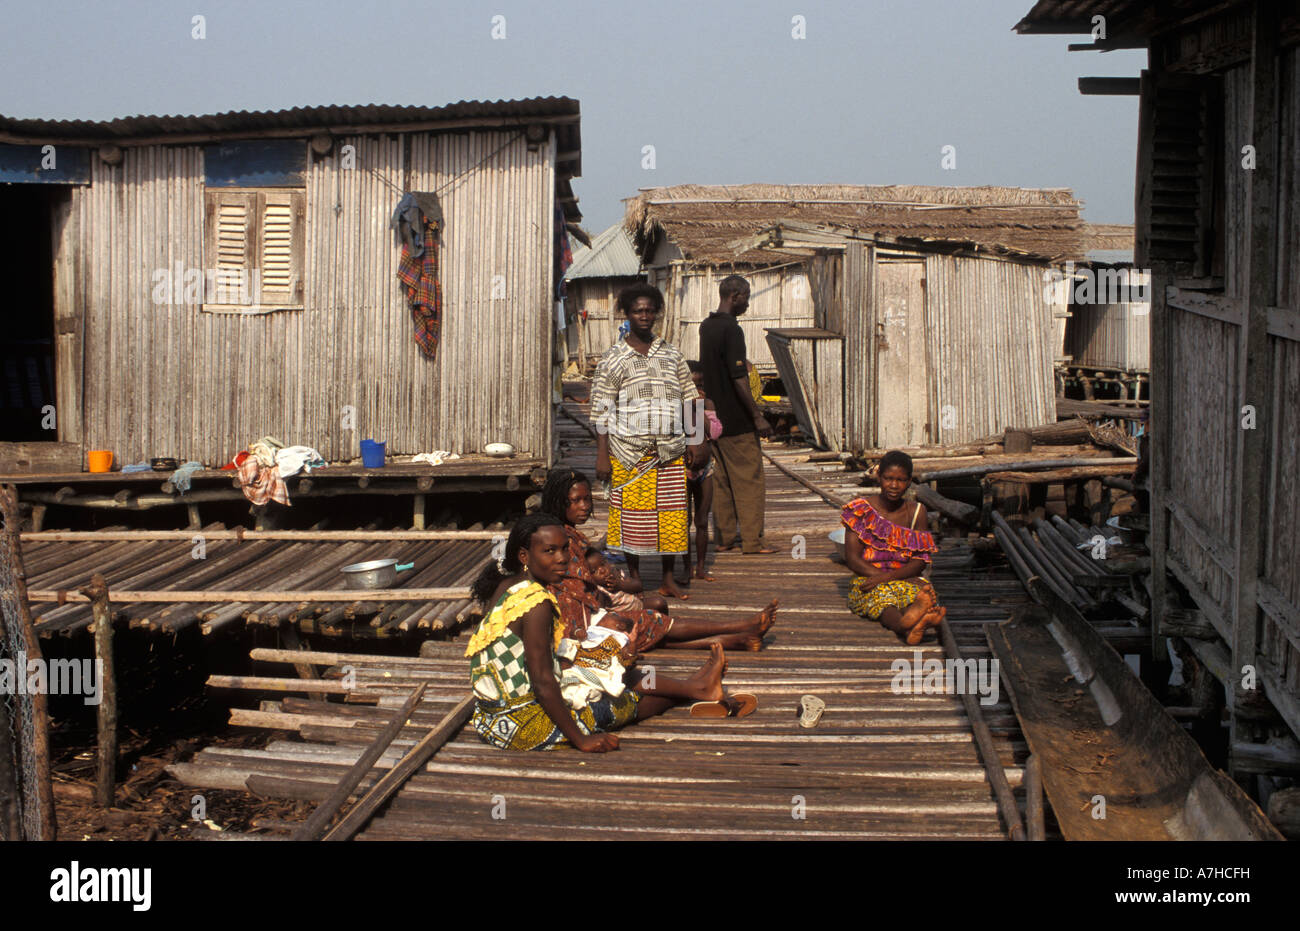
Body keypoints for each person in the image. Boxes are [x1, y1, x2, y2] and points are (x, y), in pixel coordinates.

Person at [466, 513, 736, 752]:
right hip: (523, 724)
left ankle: (696, 686)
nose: (561, 559)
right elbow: (542, 681)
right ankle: (696, 690)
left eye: (564, 550)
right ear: (524, 556)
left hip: (490, 717)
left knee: (606, 670)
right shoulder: (536, 604)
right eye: (549, 551)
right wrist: (581, 740)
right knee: (626, 701)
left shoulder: (507, 585)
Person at [540, 468, 777, 652]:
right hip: (582, 621)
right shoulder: (559, 539)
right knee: (651, 619)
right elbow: (577, 587)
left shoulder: (569, 534)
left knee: (653, 621)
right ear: (559, 502)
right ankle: (741, 626)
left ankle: (736, 640)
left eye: (587, 499)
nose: (584, 506)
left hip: (594, 610)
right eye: (576, 501)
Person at [591, 283, 700, 600]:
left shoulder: (671, 354)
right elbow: (601, 409)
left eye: (650, 310)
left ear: (656, 314)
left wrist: (696, 441)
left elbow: (689, 399)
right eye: (638, 310)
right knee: (632, 516)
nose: (645, 316)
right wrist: (602, 455)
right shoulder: (613, 358)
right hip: (628, 451)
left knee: (672, 515)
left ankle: (668, 578)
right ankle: (636, 578)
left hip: (670, 449)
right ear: (627, 314)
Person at [697, 275, 775, 555]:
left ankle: (725, 537)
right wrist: (757, 416)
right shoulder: (732, 329)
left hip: (714, 418)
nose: (748, 303)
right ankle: (754, 541)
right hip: (737, 420)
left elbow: (709, 372)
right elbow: (739, 376)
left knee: (721, 480)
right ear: (736, 296)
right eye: (747, 297)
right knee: (749, 480)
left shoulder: (706, 326)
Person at [841, 451, 945, 644]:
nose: (894, 486)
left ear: (909, 481)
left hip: (904, 577)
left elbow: (919, 560)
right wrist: (880, 578)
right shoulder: (860, 510)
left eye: (901, 480)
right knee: (883, 600)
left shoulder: (916, 512)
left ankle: (913, 622)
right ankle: (906, 625)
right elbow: (852, 558)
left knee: (917, 597)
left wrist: (888, 577)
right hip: (868, 579)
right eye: (888, 479)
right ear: (879, 477)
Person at [684, 361, 722, 582]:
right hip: (682, 468)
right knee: (682, 521)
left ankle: (700, 567)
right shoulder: (678, 406)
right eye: (692, 385)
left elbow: (715, 433)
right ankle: (685, 567)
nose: (697, 389)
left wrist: (701, 410)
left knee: (701, 520)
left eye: (700, 384)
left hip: (705, 468)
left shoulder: (707, 403)